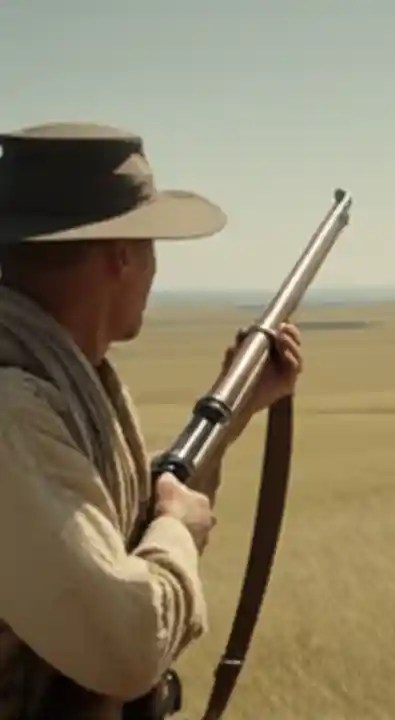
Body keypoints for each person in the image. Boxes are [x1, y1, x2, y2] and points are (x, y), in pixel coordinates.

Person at [0, 122, 303, 718]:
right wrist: (179, 533)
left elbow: (104, 525)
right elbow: (128, 647)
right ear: (121, 256)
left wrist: (233, 412)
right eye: (151, 248)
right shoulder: (14, 415)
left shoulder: (49, 386)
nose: (155, 272)